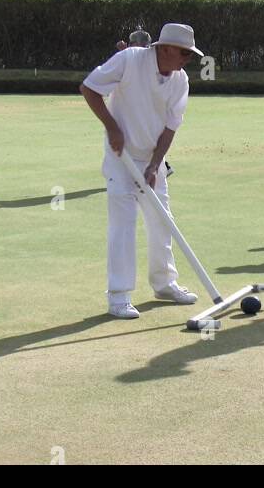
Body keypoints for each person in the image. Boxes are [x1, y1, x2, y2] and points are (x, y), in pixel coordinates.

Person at [80, 23, 202, 318]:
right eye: (185, 53)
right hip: (120, 158)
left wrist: (155, 164)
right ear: (167, 48)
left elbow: (172, 126)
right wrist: (112, 128)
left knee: (162, 220)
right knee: (123, 224)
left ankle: (164, 284)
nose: (188, 59)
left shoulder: (180, 80)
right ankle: (119, 296)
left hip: (151, 159)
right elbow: (90, 88)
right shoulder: (130, 60)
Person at [115, 26, 174, 178]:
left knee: (151, 137)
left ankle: (161, 166)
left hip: (147, 107)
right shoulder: (133, 56)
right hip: (134, 105)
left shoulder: (149, 60)